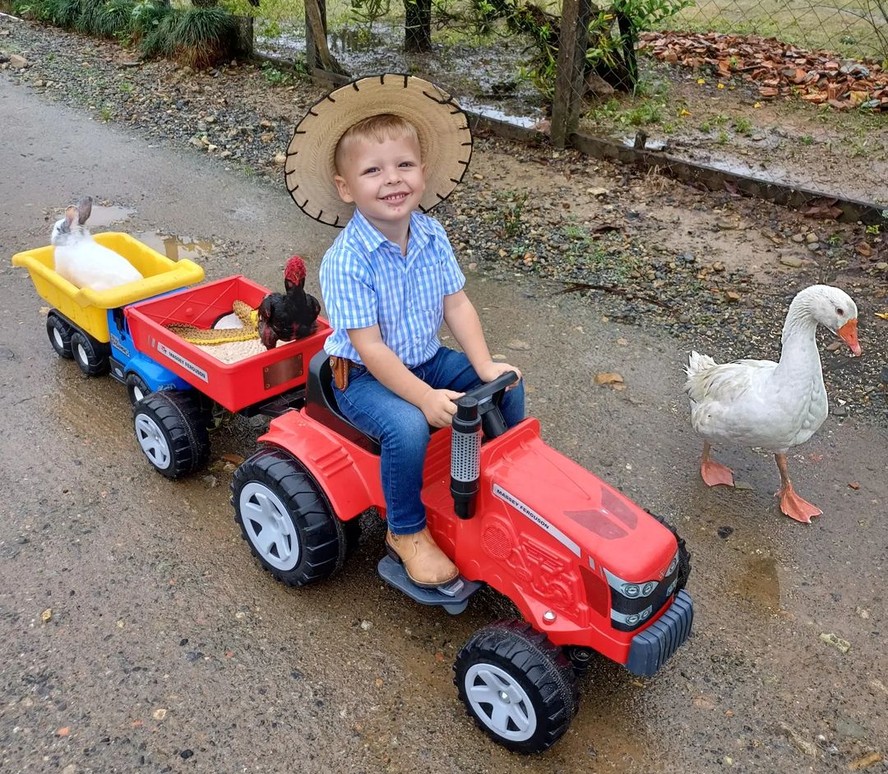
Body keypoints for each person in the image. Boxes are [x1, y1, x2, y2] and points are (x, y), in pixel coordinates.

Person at [284, 74, 525, 589]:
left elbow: (456, 303)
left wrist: (484, 366)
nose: (392, 179)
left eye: (404, 165)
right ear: (347, 188)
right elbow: (369, 348)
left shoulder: (431, 233)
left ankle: (501, 474)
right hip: (362, 376)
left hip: (423, 356)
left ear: (423, 172)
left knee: (507, 382)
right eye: (373, 170)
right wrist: (423, 397)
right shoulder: (347, 260)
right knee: (409, 426)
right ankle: (406, 530)